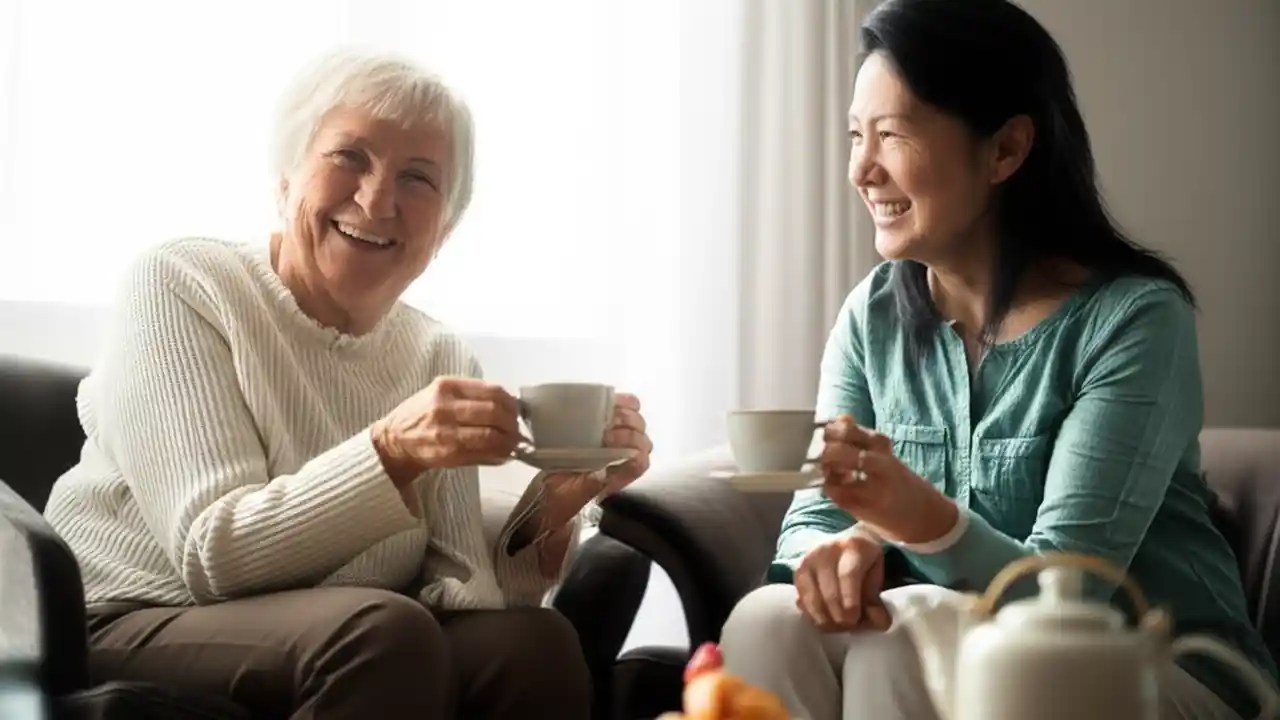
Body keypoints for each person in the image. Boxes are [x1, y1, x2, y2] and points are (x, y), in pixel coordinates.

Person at [42, 47, 653, 720]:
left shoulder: (438, 353)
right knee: (383, 634)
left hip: (341, 627)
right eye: (349, 158)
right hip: (133, 614)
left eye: (418, 179)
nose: (376, 199)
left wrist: (559, 501)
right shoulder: (183, 285)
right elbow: (212, 555)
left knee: (531, 643)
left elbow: (463, 592)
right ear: (285, 180)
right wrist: (393, 449)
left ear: (444, 228)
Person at [718, 1, 1277, 719]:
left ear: (1006, 150)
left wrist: (925, 523)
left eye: (890, 135)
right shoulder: (872, 315)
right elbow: (813, 517)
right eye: (857, 135)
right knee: (766, 620)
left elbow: (1068, 593)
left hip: (1154, 669)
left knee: (906, 633)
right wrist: (837, 554)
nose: (861, 169)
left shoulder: (1135, 320)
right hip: (943, 642)